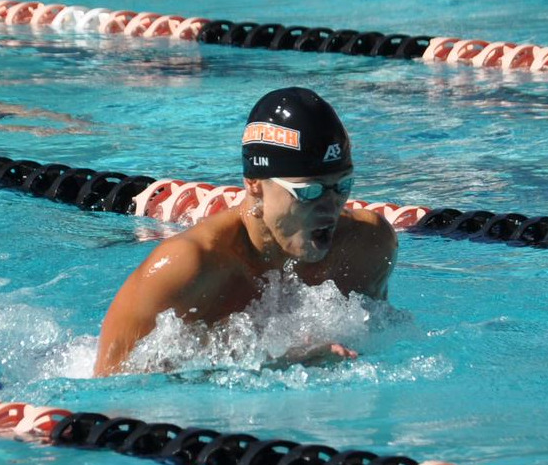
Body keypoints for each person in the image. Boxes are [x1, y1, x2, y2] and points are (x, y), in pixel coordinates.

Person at [93, 87, 398, 377]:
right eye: (309, 191)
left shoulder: (366, 246)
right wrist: (274, 366)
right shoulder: (186, 268)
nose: (330, 207)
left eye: (342, 187)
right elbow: (112, 386)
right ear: (254, 183)